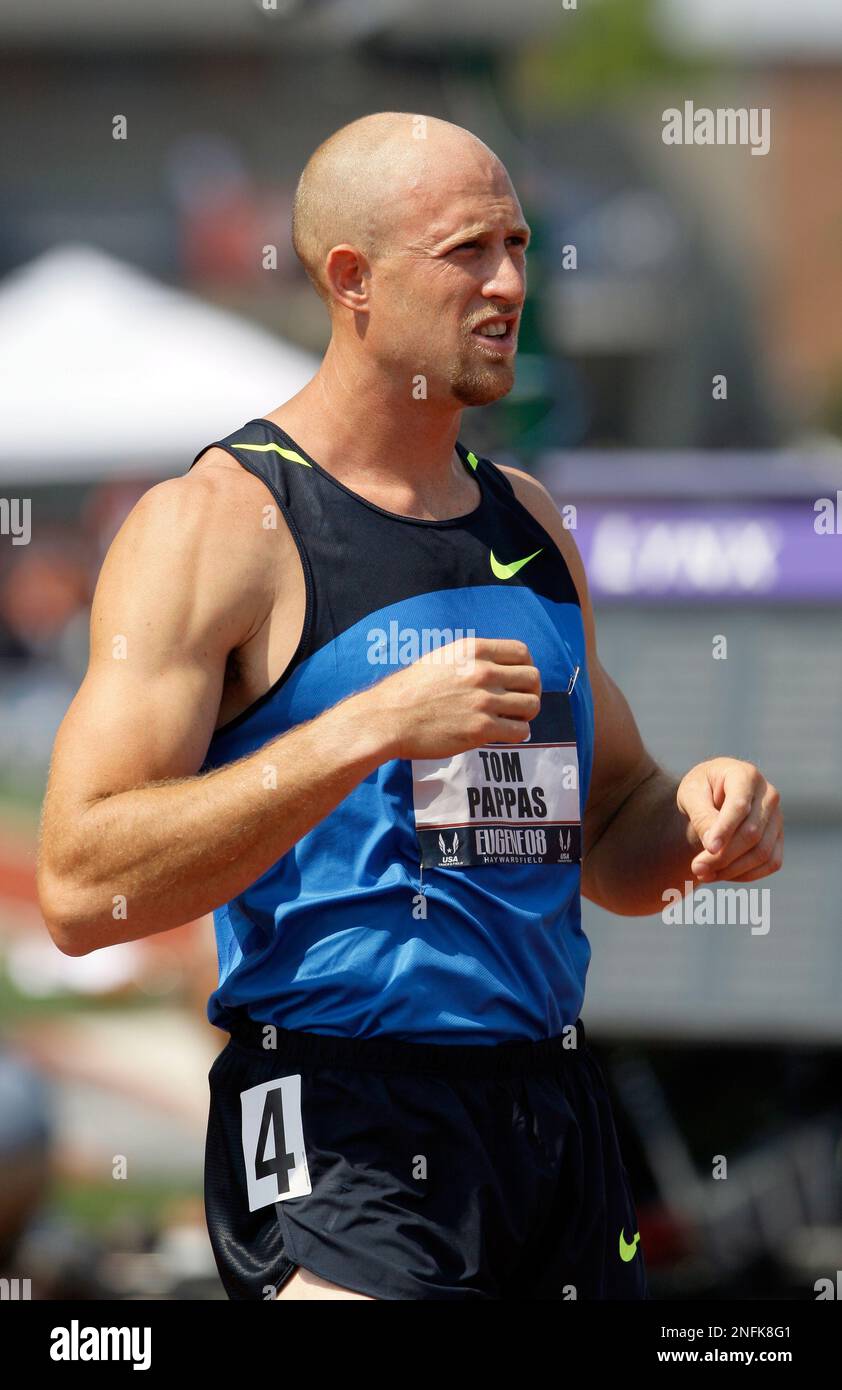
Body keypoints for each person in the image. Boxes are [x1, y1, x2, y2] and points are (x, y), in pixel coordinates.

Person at [37, 112, 783, 1301]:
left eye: (520, 246)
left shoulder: (528, 523)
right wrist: (365, 728)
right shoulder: (221, 525)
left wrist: (699, 817)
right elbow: (80, 886)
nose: (509, 284)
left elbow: (613, 831)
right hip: (341, 1119)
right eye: (466, 252)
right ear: (352, 280)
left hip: (549, 1115)